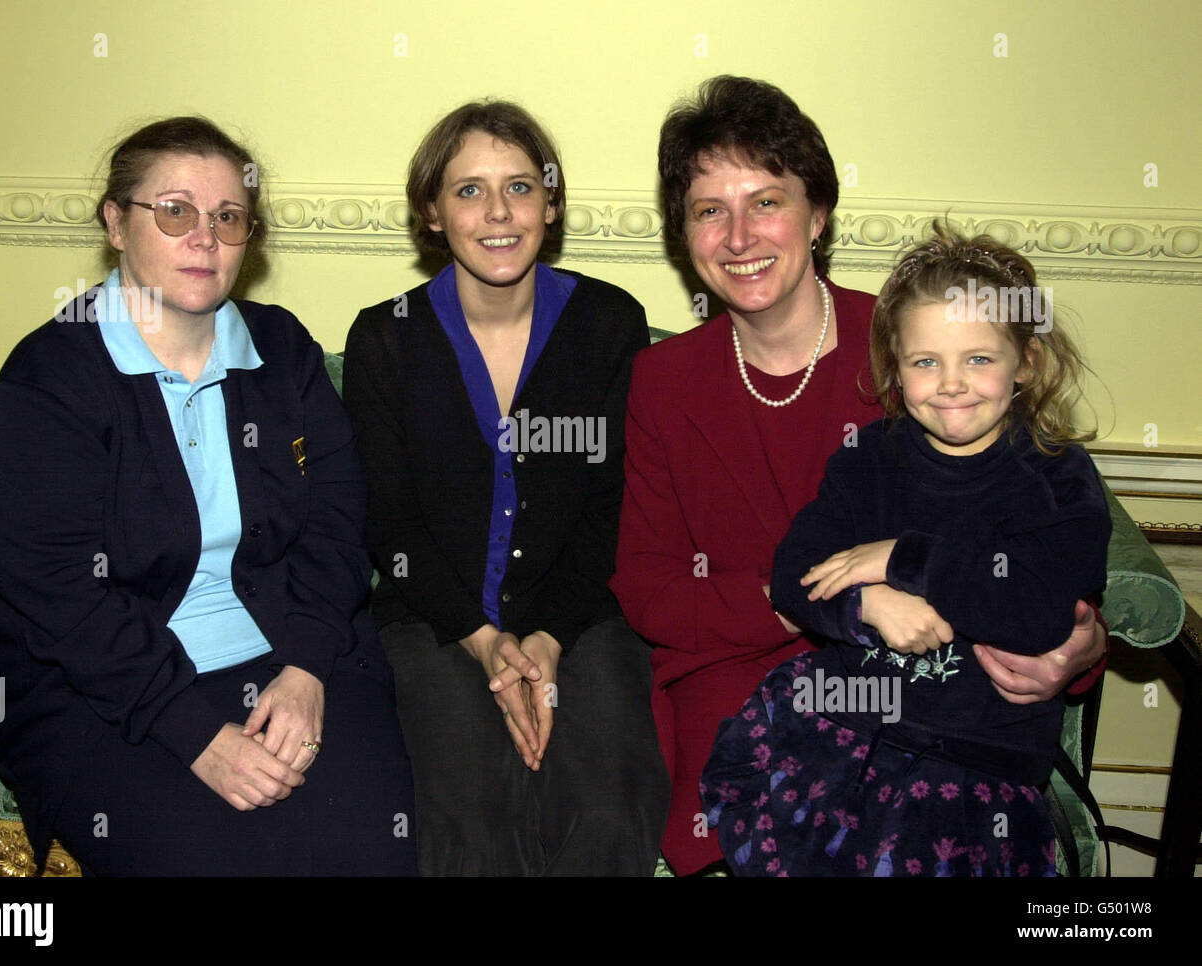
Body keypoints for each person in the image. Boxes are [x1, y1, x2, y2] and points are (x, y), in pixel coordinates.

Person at [609, 76, 1109, 876]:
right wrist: (847, 597)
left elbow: (1034, 522)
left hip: (942, 691)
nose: (739, 235)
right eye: (710, 209)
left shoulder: (925, 349)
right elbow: (648, 586)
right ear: (684, 232)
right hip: (737, 683)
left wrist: (1080, 642)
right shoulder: (662, 379)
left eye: (766, 201)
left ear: (819, 214)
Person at [0, 116, 416, 876]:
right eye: (175, 211)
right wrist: (194, 733)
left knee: (371, 846)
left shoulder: (281, 350)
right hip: (97, 682)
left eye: (228, 217)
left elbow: (338, 522)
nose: (205, 237)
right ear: (115, 223)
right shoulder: (51, 378)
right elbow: (61, 596)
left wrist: (305, 671)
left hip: (285, 648)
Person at [701, 225, 1110, 876]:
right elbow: (793, 574)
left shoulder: (1056, 479)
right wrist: (868, 604)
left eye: (979, 358)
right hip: (842, 731)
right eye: (926, 362)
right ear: (895, 367)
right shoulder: (870, 457)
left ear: (1026, 362)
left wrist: (900, 557)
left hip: (975, 764)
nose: (951, 384)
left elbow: (1038, 611)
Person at [342, 100, 669, 875]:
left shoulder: (606, 323)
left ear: (551, 206)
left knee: (605, 802)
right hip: (433, 618)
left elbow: (611, 508)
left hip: (583, 613)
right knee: (470, 809)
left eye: (521, 188)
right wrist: (486, 642)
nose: (498, 213)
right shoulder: (385, 336)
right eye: (467, 191)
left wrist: (548, 636)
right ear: (431, 211)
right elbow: (388, 526)